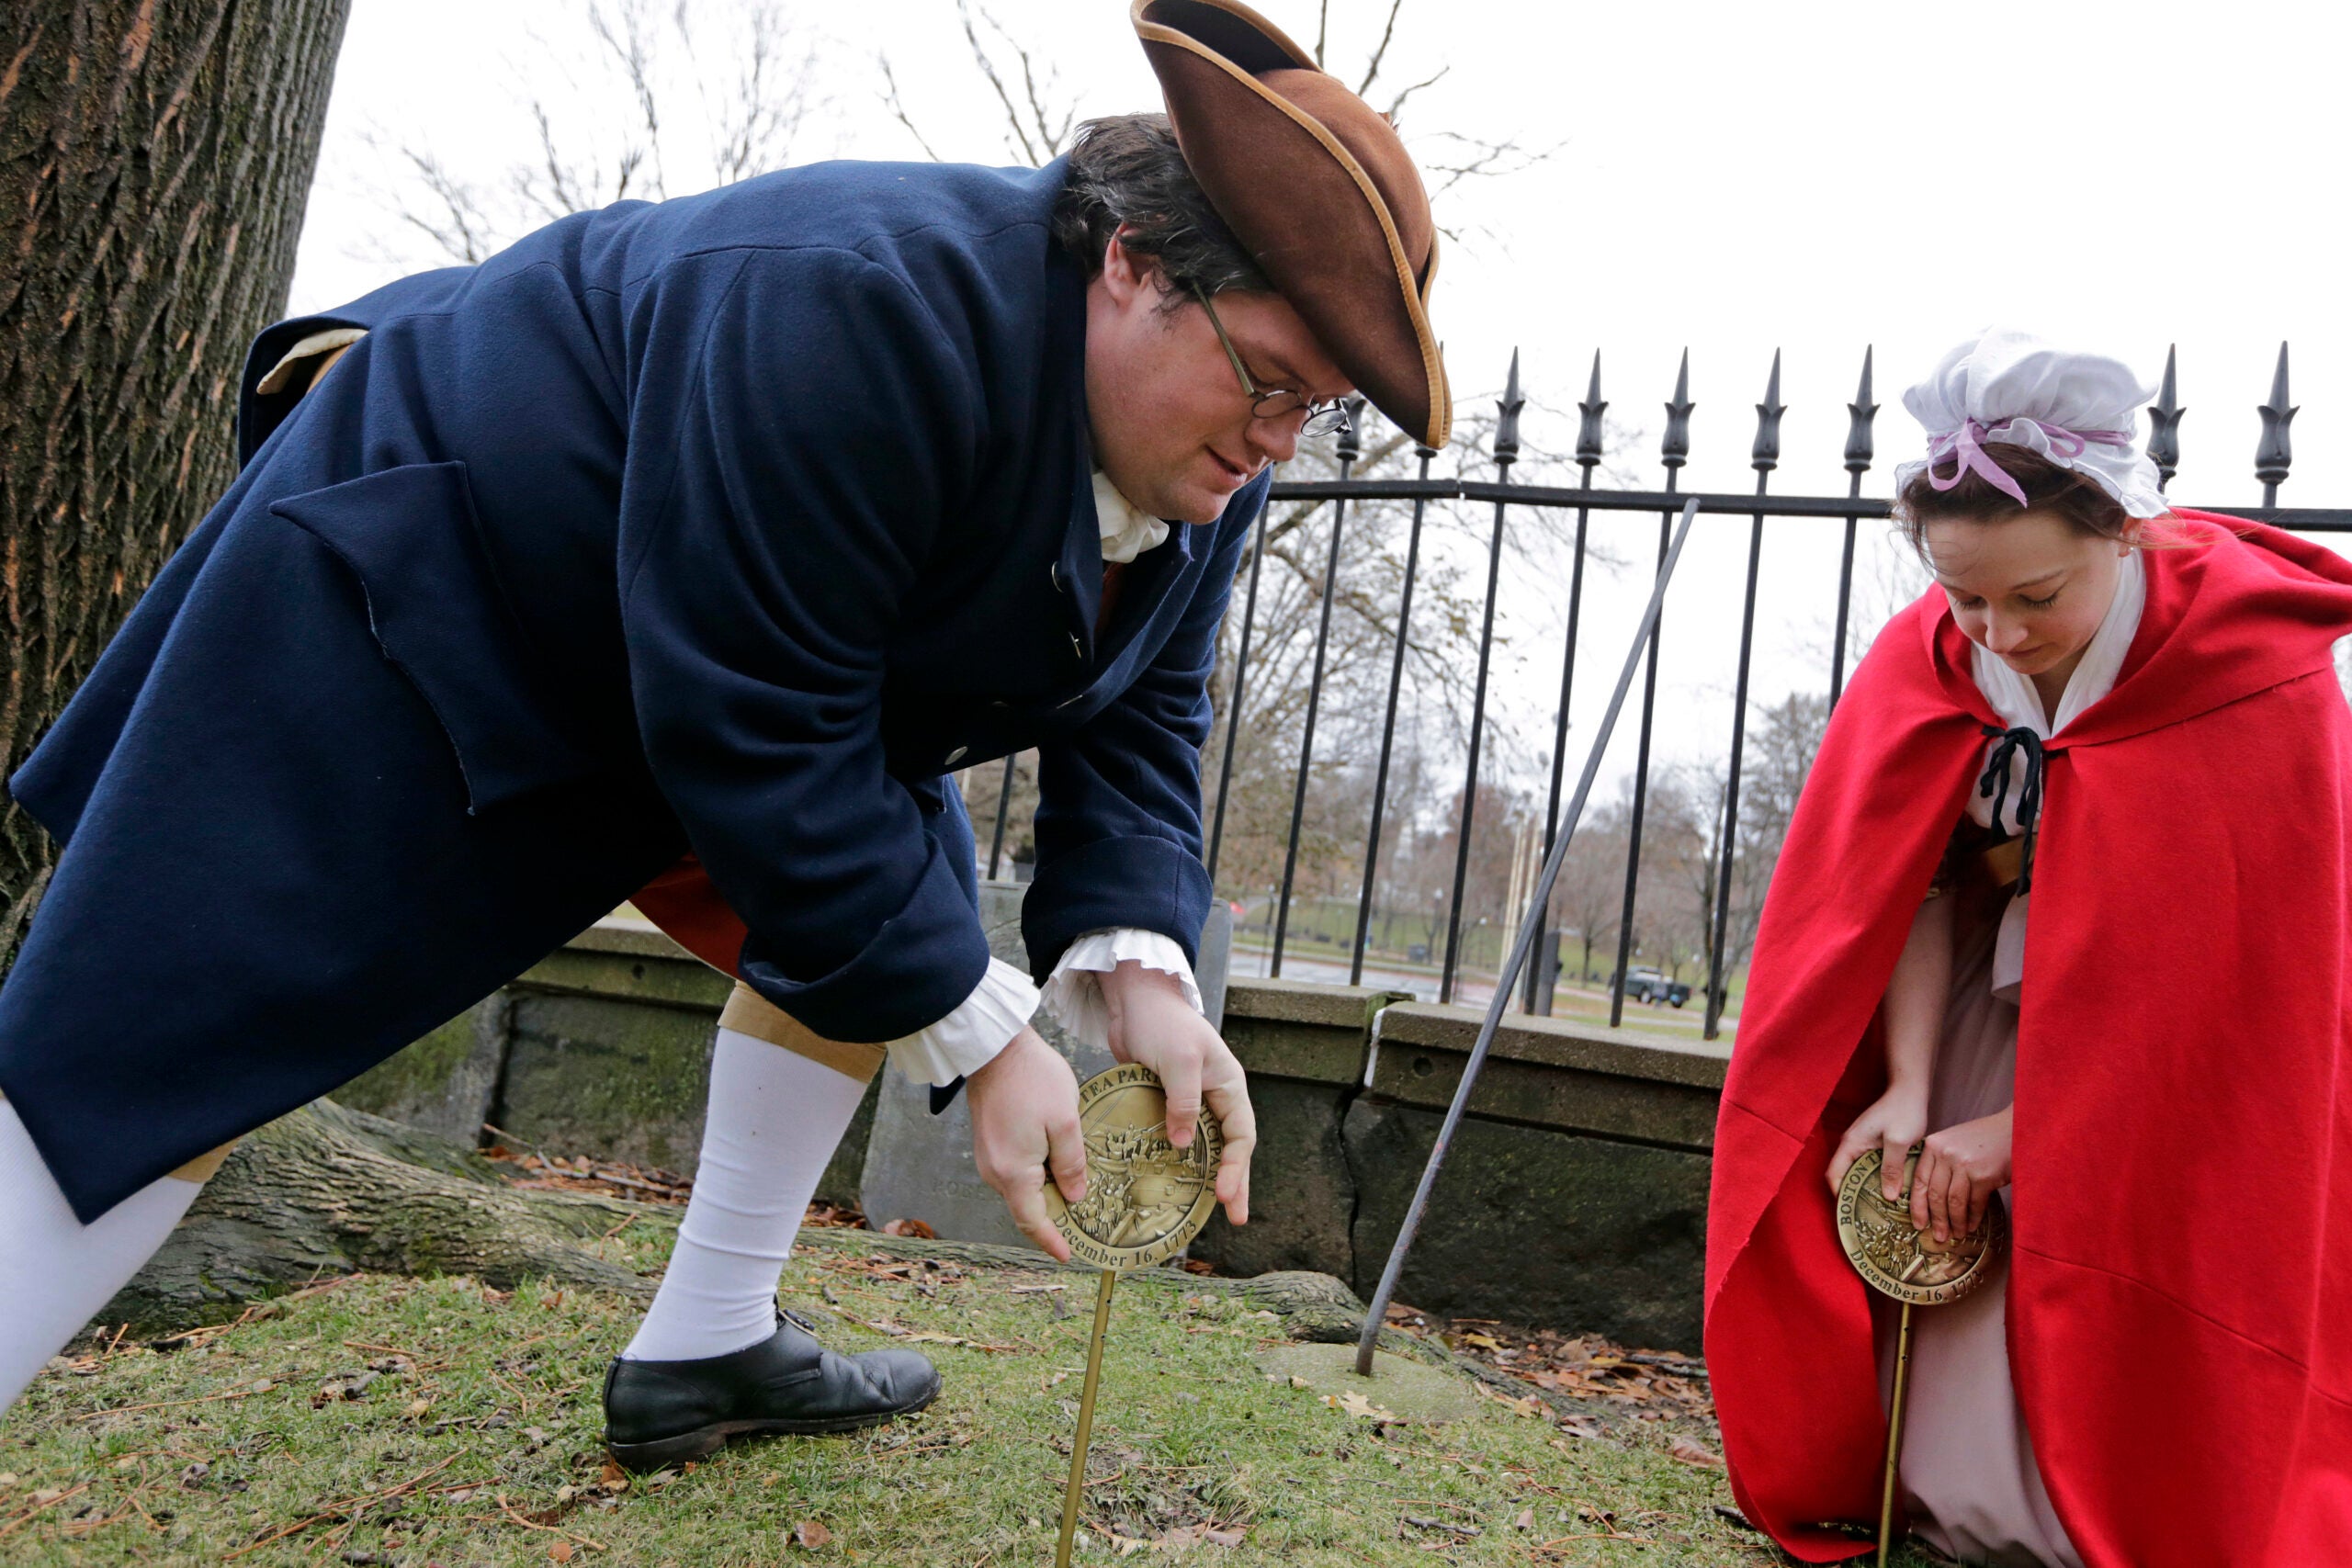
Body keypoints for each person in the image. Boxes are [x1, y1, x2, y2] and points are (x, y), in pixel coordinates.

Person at [0, 0, 1452, 1475]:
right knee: (158, 1039)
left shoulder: (1210, 452)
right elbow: (759, 715)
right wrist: (975, 1029)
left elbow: (1144, 696)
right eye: (1271, 383)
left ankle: (704, 1342)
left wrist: (1139, 963)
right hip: (445, 576)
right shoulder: (849, 299)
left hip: (700, 656)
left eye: (1319, 413)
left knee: (888, 888)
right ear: (1130, 265)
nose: (1280, 441)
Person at [1704, 330, 2352, 1565]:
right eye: (1965, 596)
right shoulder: (1934, 660)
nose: (1998, 632)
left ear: (2122, 533)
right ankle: (1953, 1489)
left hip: (2187, 1071)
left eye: (2036, 597)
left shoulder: (2254, 671)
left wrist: (2021, 1138)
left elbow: (2233, 994)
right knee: (1935, 1211)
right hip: (1979, 1014)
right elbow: (1905, 887)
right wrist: (1906, 1087)